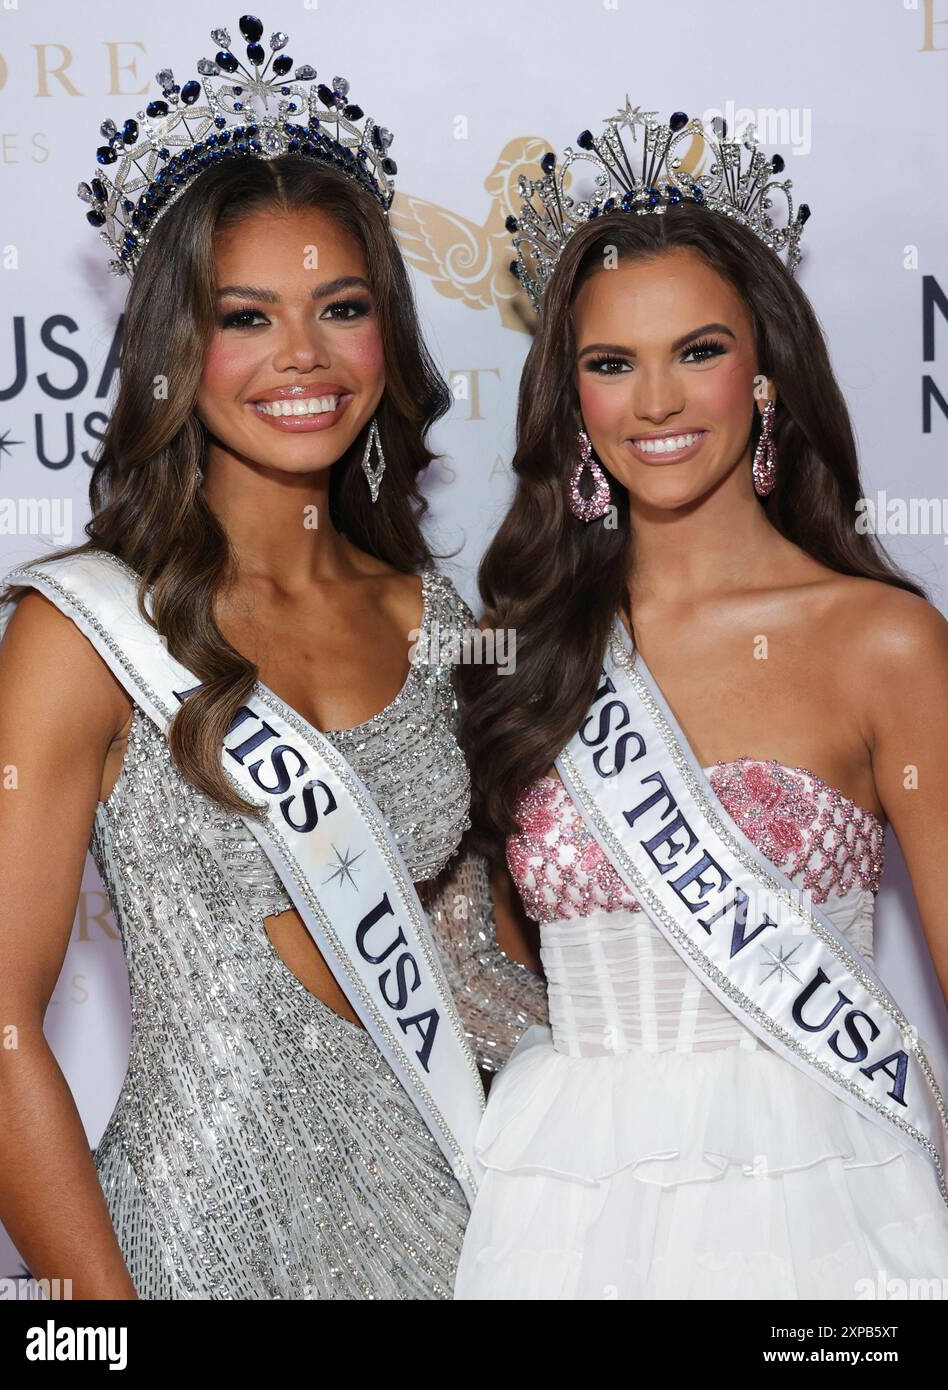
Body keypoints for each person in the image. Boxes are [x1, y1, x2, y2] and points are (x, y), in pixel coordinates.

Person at [0, 15, 545, 1301]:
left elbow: (482, 971)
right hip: (190, 1246)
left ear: (387, 337)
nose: (303, 357)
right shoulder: (83, 632)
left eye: (342, 308)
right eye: (248, 316)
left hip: (452, 1238)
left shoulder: (437, 617)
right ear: (178, 347)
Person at [453, 99, 948, 1299]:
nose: (658, 405)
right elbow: (488, 963)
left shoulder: (882, 640)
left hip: (829, 1187)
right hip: (561, 1198)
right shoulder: (517, 646)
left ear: (766, 374)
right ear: (574, 401)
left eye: (700, 351)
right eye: (612, 364)